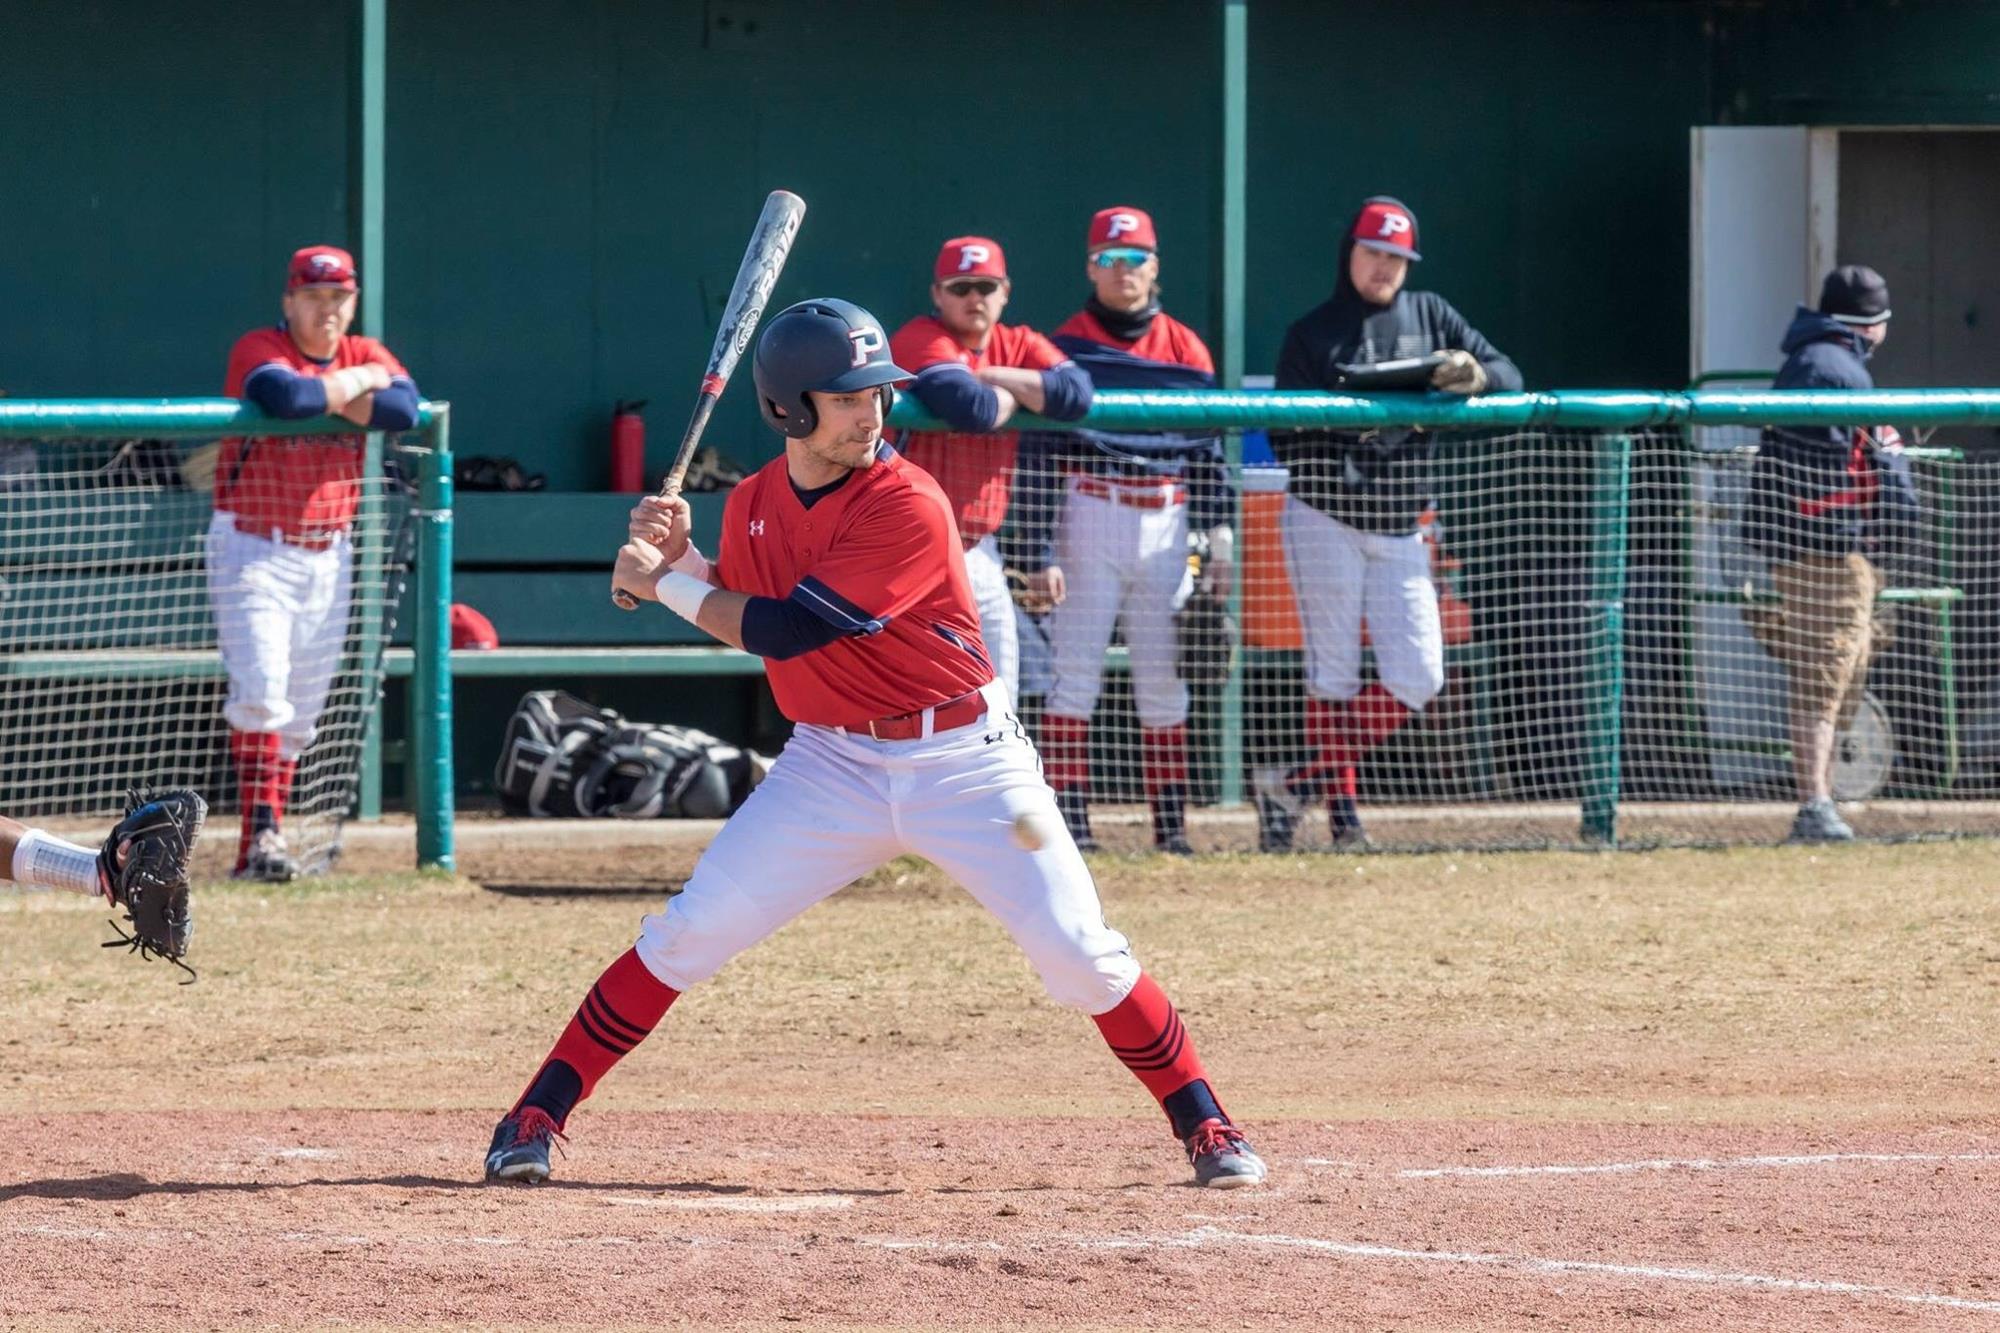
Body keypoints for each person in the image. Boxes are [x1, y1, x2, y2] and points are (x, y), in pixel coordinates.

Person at [483, 298, 1265, 1191]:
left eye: (878, 393)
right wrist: (684, 563)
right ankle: (535, 1112)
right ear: (788, 409)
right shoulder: (751, 503)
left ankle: (1205, 1120)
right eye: (848, 397)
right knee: (687, 934)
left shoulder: (910, 501)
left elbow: (786, 629)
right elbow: (738, 594)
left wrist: (663, 585)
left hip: (967, 758)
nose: (873, 412)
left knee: (1081, 954)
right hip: (832, 765)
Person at [1255, 197, 1520, 851]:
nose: (1385, 266)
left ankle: (1291, 784)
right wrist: (1353, 423)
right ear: (1349, 251)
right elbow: (1284, 437)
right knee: (1334, 674)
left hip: (1403, 521)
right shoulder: (1313, 331)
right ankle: (1345, 821)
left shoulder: (1431, 313)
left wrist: (1476, 374)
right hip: (1326, 516)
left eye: (1397, 256)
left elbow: (1512, 378)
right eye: (1374, 251)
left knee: (1420, 673)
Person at [1006, 207, 1230, 854]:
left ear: (1154, 266)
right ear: (1090, 267)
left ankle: (1171, 828)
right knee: (1074, 677)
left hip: (1167, 514)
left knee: (1164, 682)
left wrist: (1220, 535)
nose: (1122, 271)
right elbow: (1041, 455)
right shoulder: (1064, 344)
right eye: (1109, 258)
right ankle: (1071, 821)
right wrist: (1037, 545)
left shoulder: (1185, 345)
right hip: (1089, 509)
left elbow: (1207, 449)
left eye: (1134, 259)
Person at [210, 245, 421, 880]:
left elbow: (406, 409)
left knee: (300, 713)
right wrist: (355, 387)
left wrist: (337, 386)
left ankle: (263, 842)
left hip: (329, 550)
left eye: (338, 298)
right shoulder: (260, 345)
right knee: (262, 692)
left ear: (351, 303)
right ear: (289, 301)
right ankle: (262, 839)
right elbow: (287, 398)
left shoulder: (367, 348)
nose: (326, 309)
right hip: (253, 544)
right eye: (313, 297)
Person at [1743, 265, 1916, 843]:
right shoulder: (1825, 366)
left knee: (1846, 661)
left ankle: (1823, 799)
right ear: (1873, 323)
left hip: (1837, 549)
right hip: (1823, 550)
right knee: (1825, 667)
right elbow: (1822, 476)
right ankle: (1814, 805)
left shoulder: (1830, 362)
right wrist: (1858, 524)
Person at [889, 238, 1094, 700]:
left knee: (1001, 697)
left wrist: (996, 375)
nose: (974, 298)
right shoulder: (921, 337)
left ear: (1005, 291)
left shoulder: (1015, 343)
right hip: (909, 548)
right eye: (960, 287)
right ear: (938, 294)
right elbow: (971, 409)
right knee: (925, 695)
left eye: (985, 286)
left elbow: (1077, 394)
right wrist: (1018, 393)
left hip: (980, 549)